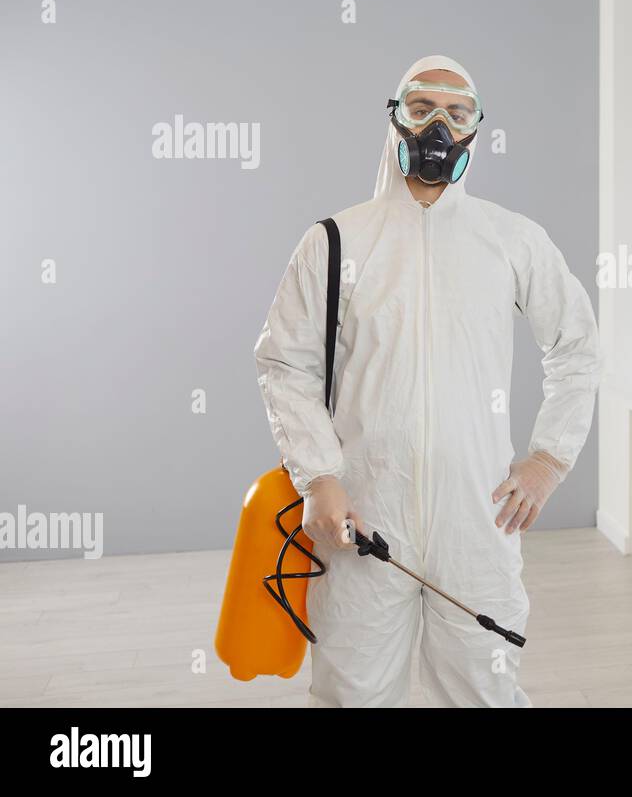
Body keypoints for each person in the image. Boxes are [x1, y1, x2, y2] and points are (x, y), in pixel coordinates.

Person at [253, 54, 602, 707]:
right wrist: (319, 476)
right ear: (394, 120)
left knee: (484, 688)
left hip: (477, 514)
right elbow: (282, 362)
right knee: (350, 691)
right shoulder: (335, 241)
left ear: (475, 131)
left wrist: (551, 458)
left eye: (457, 112)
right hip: (360, 512)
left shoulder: (511, 241)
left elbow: (577, 344)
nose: (439, 125)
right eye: (422, 109)